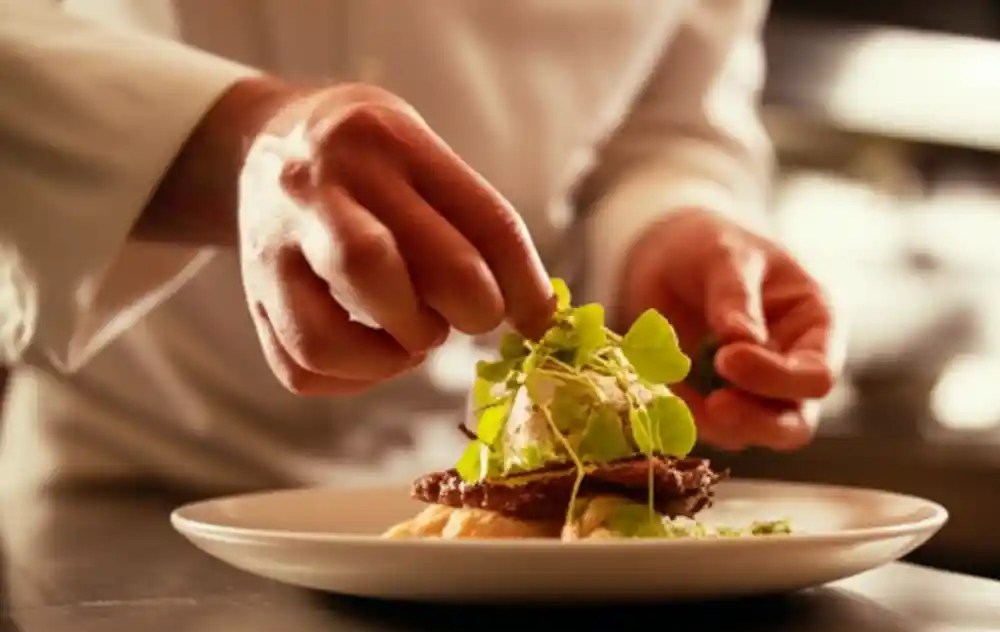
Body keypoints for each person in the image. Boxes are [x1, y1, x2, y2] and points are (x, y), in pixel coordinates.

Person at [0, 0, 841, 493]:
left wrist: (669, 222)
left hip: (463, 496)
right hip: (117, 480)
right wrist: (234, 140)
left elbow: (673, 115)